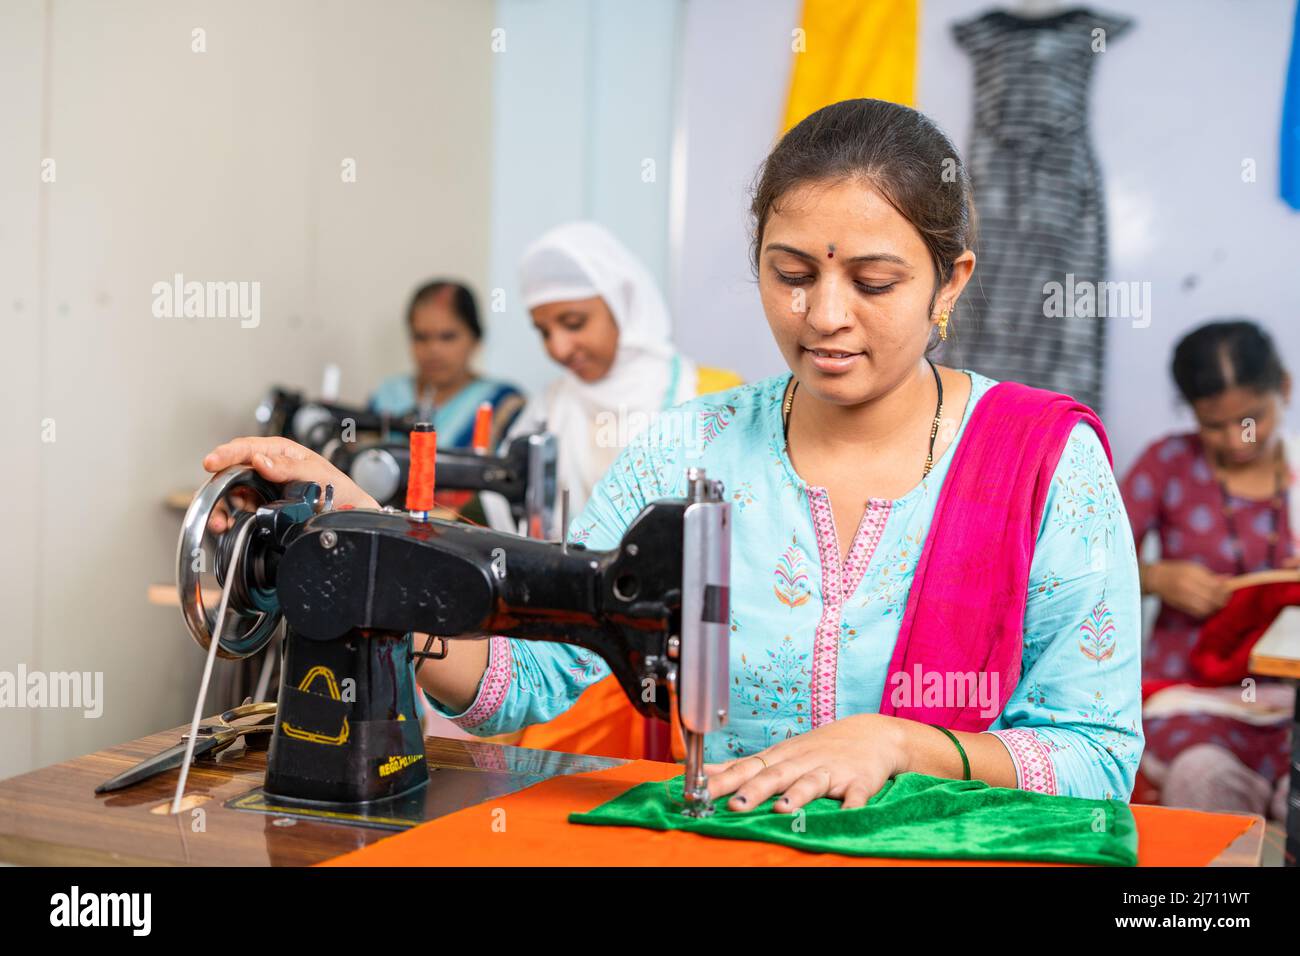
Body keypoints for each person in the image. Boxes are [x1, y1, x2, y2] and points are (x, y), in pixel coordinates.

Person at [202, 98, 1143, 811]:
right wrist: (369, 546)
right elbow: (528, 681)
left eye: (874, 280)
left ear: (951, 282)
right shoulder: (688, 446)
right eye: (791, 275)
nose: (824, 316)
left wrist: (904, 743)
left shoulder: (1043, 465)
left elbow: (1098, 758)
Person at [1120, 320, 1294, 821]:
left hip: (1289, 698)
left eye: (1251, 418)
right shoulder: (1167, 465)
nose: (1238, 439)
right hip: (1191, 697)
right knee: (1203, 779)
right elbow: (1088, 567)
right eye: (1213, 425)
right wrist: (1154, 578)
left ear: (1283, 387)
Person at [370, 280, 525, 449]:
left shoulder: (503, 404)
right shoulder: (386, 396)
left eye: (447, 337)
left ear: (475, 339)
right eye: (421, 337)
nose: (433, 350)